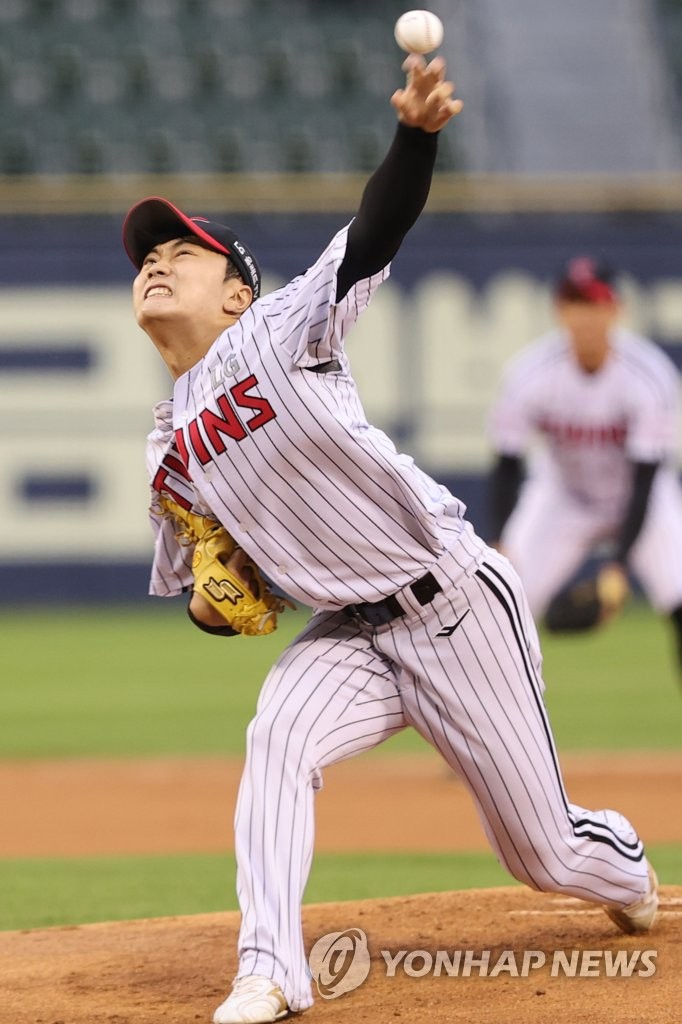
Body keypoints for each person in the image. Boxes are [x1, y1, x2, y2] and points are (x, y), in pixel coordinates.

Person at [124, 59, 658, 1024]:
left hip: (453, 603)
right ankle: (270, 971)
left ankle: (624, 864)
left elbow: (375, 231)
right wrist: (219, 599)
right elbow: (210, 604)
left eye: (182, 252)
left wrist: (415, 137)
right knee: (278, 735)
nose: (155, 261)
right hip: (350, 635)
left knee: (543, 854)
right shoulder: (168, 452)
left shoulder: (278, 330)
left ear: (238, 294)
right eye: (145, 257)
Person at [488, 256, 682, 676]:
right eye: (575, 303)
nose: (585, 316)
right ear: (560, 310)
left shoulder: (648, 375)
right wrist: (500, 541)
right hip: (564, 495)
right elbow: (507, 464)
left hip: (640, 499)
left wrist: (618, 568)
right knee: (500, 605)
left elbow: (645, 479)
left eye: (595, 303)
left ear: (616, 310)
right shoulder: (528, 374)